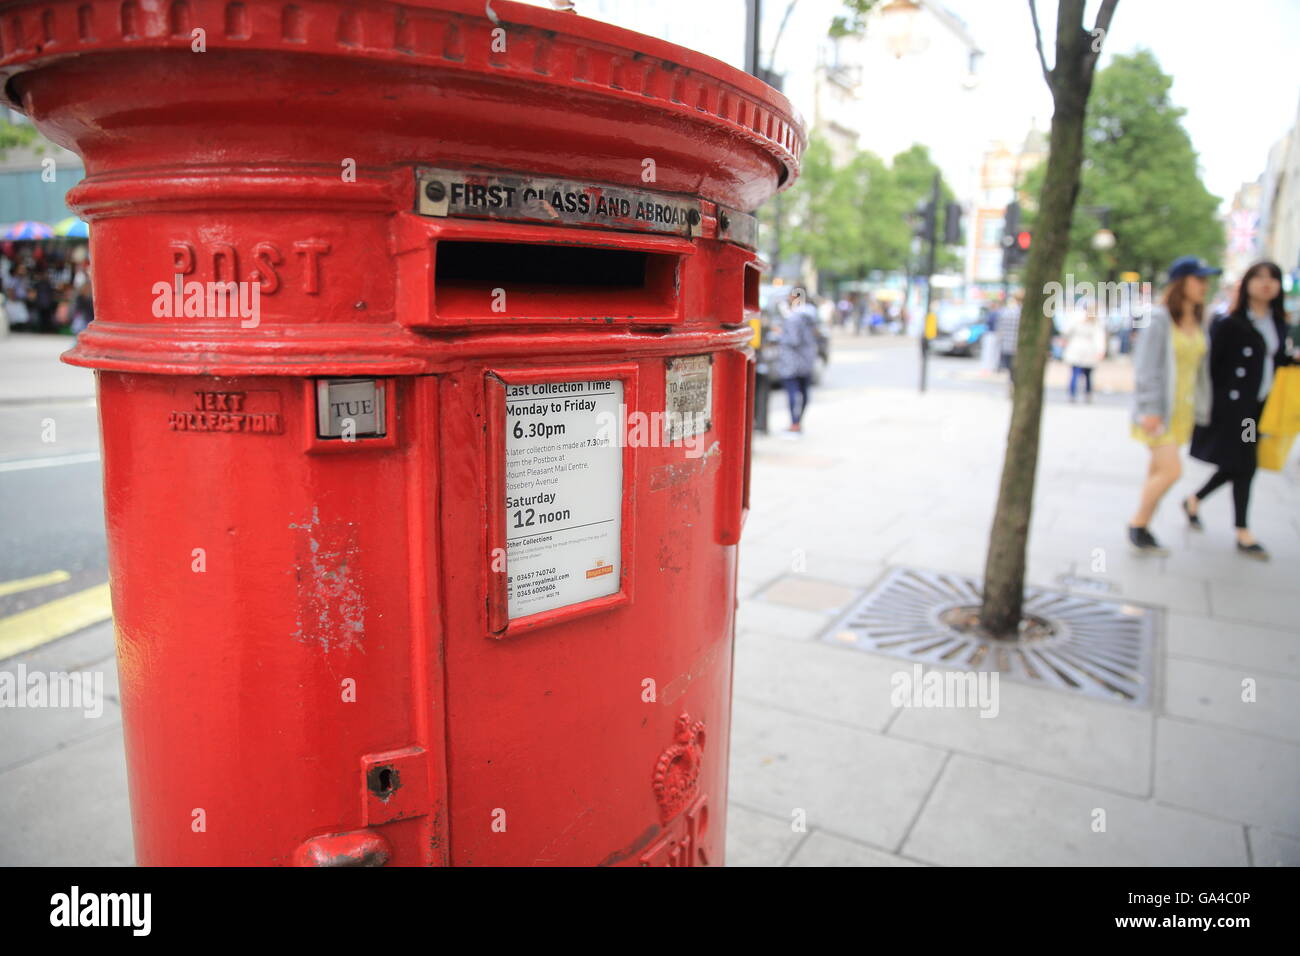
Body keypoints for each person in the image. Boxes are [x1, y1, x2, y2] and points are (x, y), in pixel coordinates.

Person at [1184, 260, 1293, 561]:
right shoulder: (1230, 321)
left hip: (1262, 406)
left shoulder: (1278, 321)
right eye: (1259, 277)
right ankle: (1242, 530)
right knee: (1245, 464)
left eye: (1272, 278)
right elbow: (1212, 368)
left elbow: (1275, 358)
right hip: (1237, 410)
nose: (1266, 283)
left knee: (1238, 463)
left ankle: (1194, 500)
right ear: (1246, 284)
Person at [1127, 256, 1216, 555]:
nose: (1204, 285)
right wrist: (1149, 409)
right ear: (1182, 283)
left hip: (1183, 411)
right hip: (1157, 410)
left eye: (1206, 280)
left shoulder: (1200, 321)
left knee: (1157, 470)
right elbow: (1146, 368)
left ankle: (1144, 524)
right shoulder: (1159, 318)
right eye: (1198, 279)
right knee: (1171, 471)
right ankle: (1137, 525)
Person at [773, 289, 820, 434]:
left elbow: (793, 340)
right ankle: (799, 421)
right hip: (807, 359)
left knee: (792, 392)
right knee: (804, 392)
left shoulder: (792, 318)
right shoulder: (812, 316)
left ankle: (794, 423)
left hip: (792, 361)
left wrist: (780, 335)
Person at [1062, 303, 1107, 402]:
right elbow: (1099, 338)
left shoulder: (1078, 319)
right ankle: (1087, 393)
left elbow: (1066, 331)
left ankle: (1073, 393)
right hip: (1086, 350)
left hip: (1077, 349)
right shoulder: (1094, 322)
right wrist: (1101, 350)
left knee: (1076, 373)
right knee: (1086, 375)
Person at [998, 290, 1023, 393]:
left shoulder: (1006, 312)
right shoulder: (1022, 313)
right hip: (1018, 346)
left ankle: (1011, 385)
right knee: (1017, 369)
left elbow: (1000, 328)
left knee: (1010, 369)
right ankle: (1015, 386)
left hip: (1007, 345)